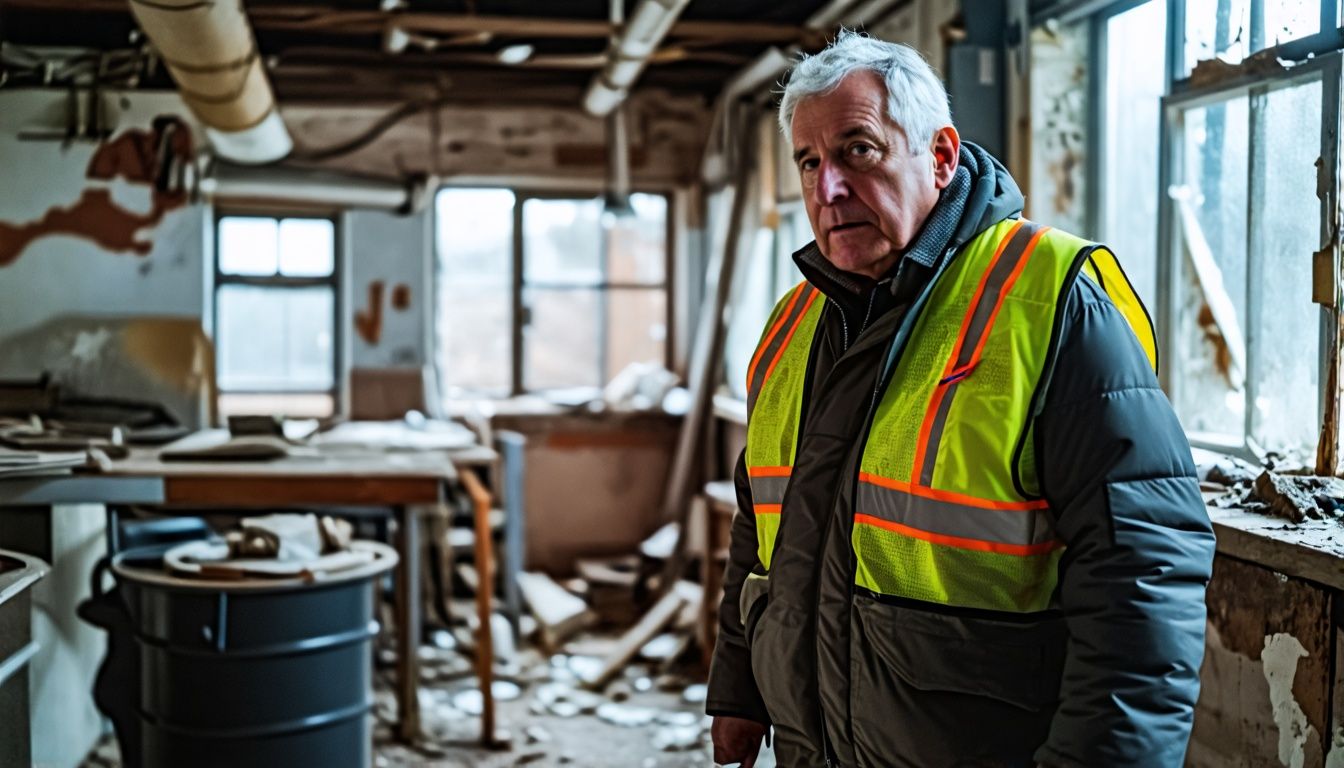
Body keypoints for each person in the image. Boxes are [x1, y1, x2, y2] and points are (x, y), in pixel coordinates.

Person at [706, 31, 1215, 768]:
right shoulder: (792, 325)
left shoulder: (1049, 296)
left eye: (859, 150)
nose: (828, 189)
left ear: (941, 156)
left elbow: (1140, 572)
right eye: (809, 162)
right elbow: (759, 531)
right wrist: (739, 689)